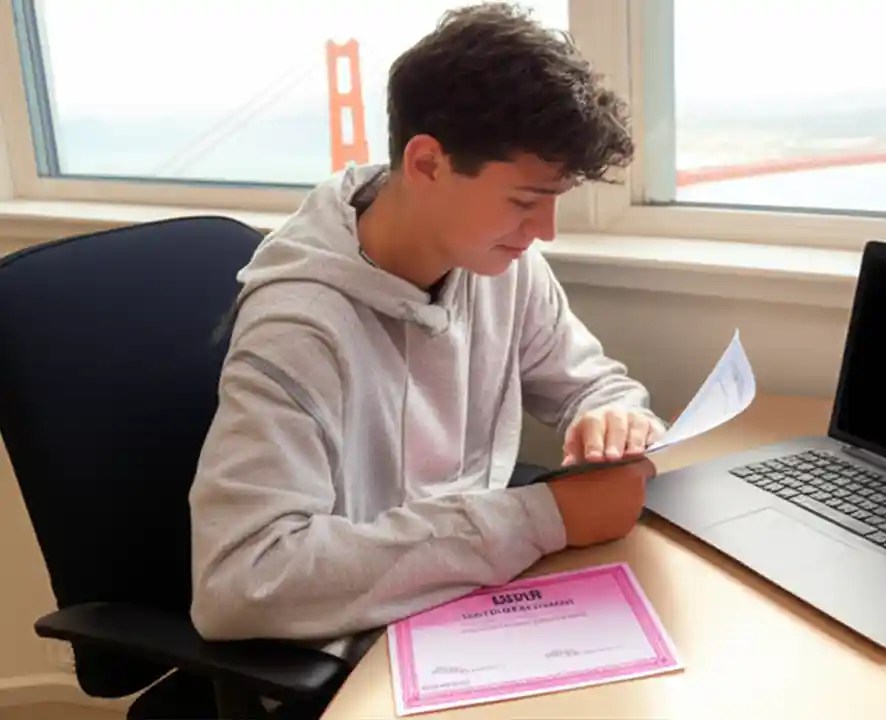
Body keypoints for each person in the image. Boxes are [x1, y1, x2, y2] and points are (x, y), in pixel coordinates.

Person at [187, 2, 663, 660]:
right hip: (352, 653)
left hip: (464, 602)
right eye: (525, 201)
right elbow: (240, 581)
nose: (545, 231)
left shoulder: (498, 262)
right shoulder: (298, 327)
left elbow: (595, 383)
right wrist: (543, 517)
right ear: (428, 163)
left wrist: (613, 415)